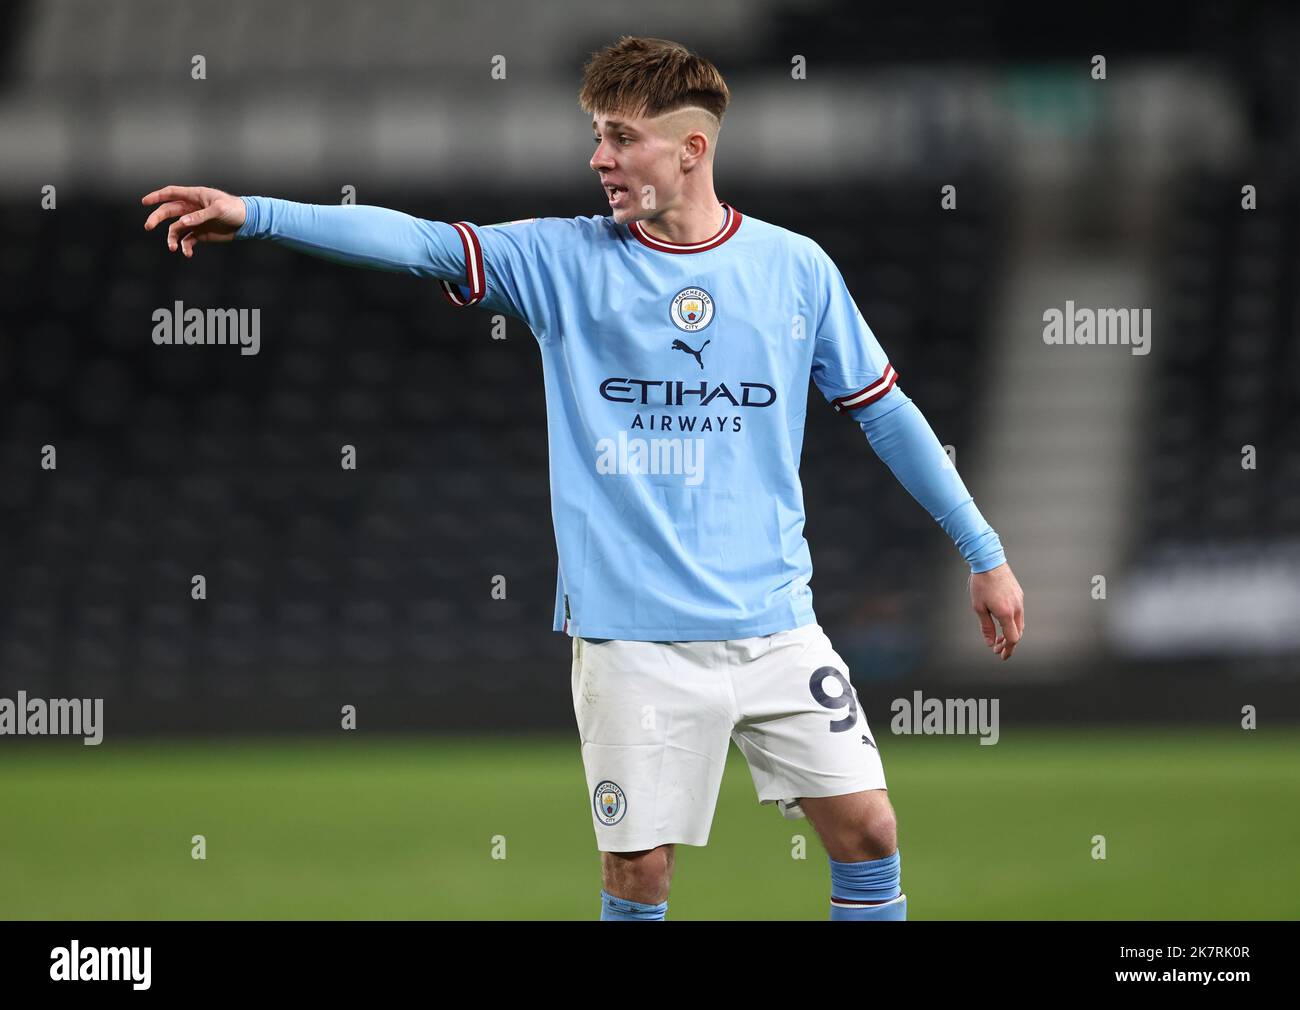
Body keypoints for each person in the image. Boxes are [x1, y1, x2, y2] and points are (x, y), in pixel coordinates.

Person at [142, 35, 1025, 921]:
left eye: (621, 136)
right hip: (631, 641)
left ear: (692, 149)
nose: (598, 157)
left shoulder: (795, 269)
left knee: (870, 833)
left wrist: (982, 553)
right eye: (597, 136)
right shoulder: (562, 260)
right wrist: (256, 212)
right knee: (639, 876)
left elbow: (885, 412)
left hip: (777, 627)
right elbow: (419, 243)